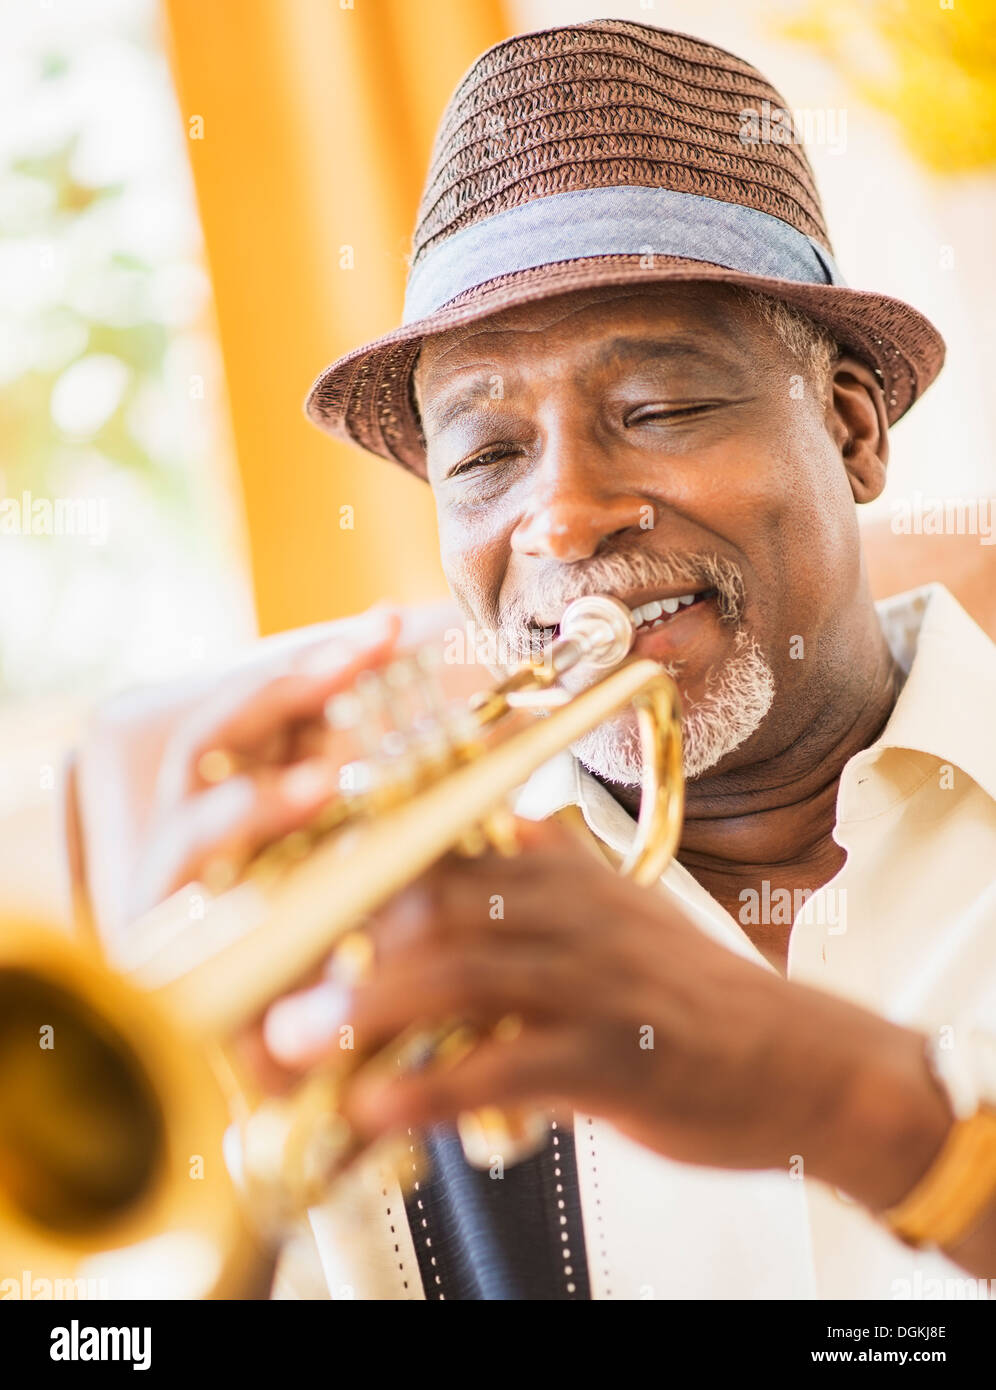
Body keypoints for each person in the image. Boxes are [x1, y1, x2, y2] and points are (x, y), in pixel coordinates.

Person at [77, 19, 996, 1299]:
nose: (561, 520)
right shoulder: (391, 959)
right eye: (487, 458)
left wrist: (874, 1117)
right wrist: (212, 1167)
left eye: (660, 409)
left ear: (851, 428)